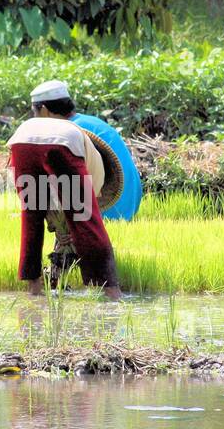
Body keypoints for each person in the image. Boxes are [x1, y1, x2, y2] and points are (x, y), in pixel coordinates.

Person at [7, 85, 123, 300]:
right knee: (86, 220)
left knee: (31, 217)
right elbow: (89, 197)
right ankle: (112, 291)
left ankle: (33, 288)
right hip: (63, 146)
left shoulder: (28, 125)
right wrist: (74, 226)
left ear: (41, 109)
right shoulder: (75, 132)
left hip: (20, 143)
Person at [31, 79, 142, 221]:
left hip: (108, 210)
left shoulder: (68, 133)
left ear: (44, 110)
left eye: (34, 112)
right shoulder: (91, 122)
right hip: (130, 205)